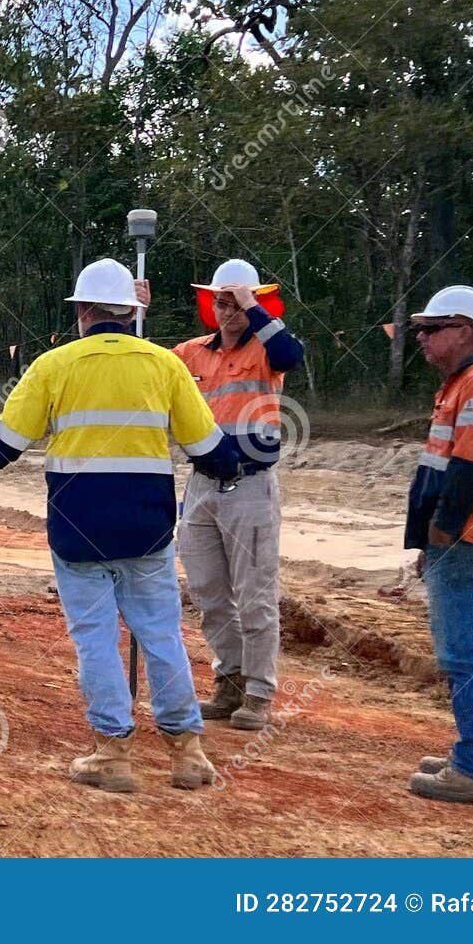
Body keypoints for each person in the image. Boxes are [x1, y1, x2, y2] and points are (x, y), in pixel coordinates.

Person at [0, 259, 241, 792]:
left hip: (77, 526)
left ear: (83, 311)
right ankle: (188, 753)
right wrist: (230, 468)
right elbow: (208, 448)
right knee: (161, 635)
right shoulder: (165, 365)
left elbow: (5, 439)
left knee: (95, 639)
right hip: (148, 528)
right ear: (132, 310)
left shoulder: (54, 366)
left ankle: (112, 752)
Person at [150, 260, 304, 732]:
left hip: (251, 486)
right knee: (209, 593)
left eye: (234, 301)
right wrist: (135, 313)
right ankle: (230, 681)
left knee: (254, 597)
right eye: (220, 300)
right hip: (201, 485)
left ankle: (259, 692)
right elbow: (147, 369)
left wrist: (253, 306)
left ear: (252, 303)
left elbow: (291, 353)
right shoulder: (190, 353)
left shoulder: (266, 349)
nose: (226, 309)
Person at [404, 285, 473, 805]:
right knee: (463, 651)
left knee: (465, 652)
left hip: (465, 539)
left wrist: (444, 530)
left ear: (467, 331)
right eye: (421, 329)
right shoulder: (459, 386)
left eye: (433, 328)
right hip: (455, 540)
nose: (422, 337)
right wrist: (429, 540)